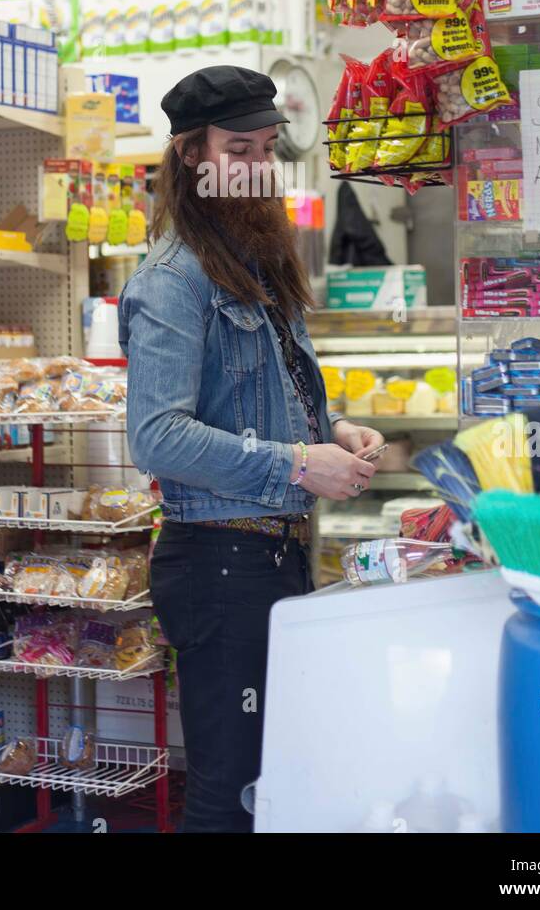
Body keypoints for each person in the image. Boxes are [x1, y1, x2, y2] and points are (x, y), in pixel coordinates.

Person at [118, 66, 384, 833]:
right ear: (192, 156)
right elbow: (158, 436)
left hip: (274, 555)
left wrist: (330, 432)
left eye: (267, 147)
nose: (258, 166)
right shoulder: (173, 279)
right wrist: (301, 463)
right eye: (239, 149)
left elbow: (257, 399)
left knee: (274, 779)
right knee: (228, 791)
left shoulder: (258, 263)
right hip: (218, 564)